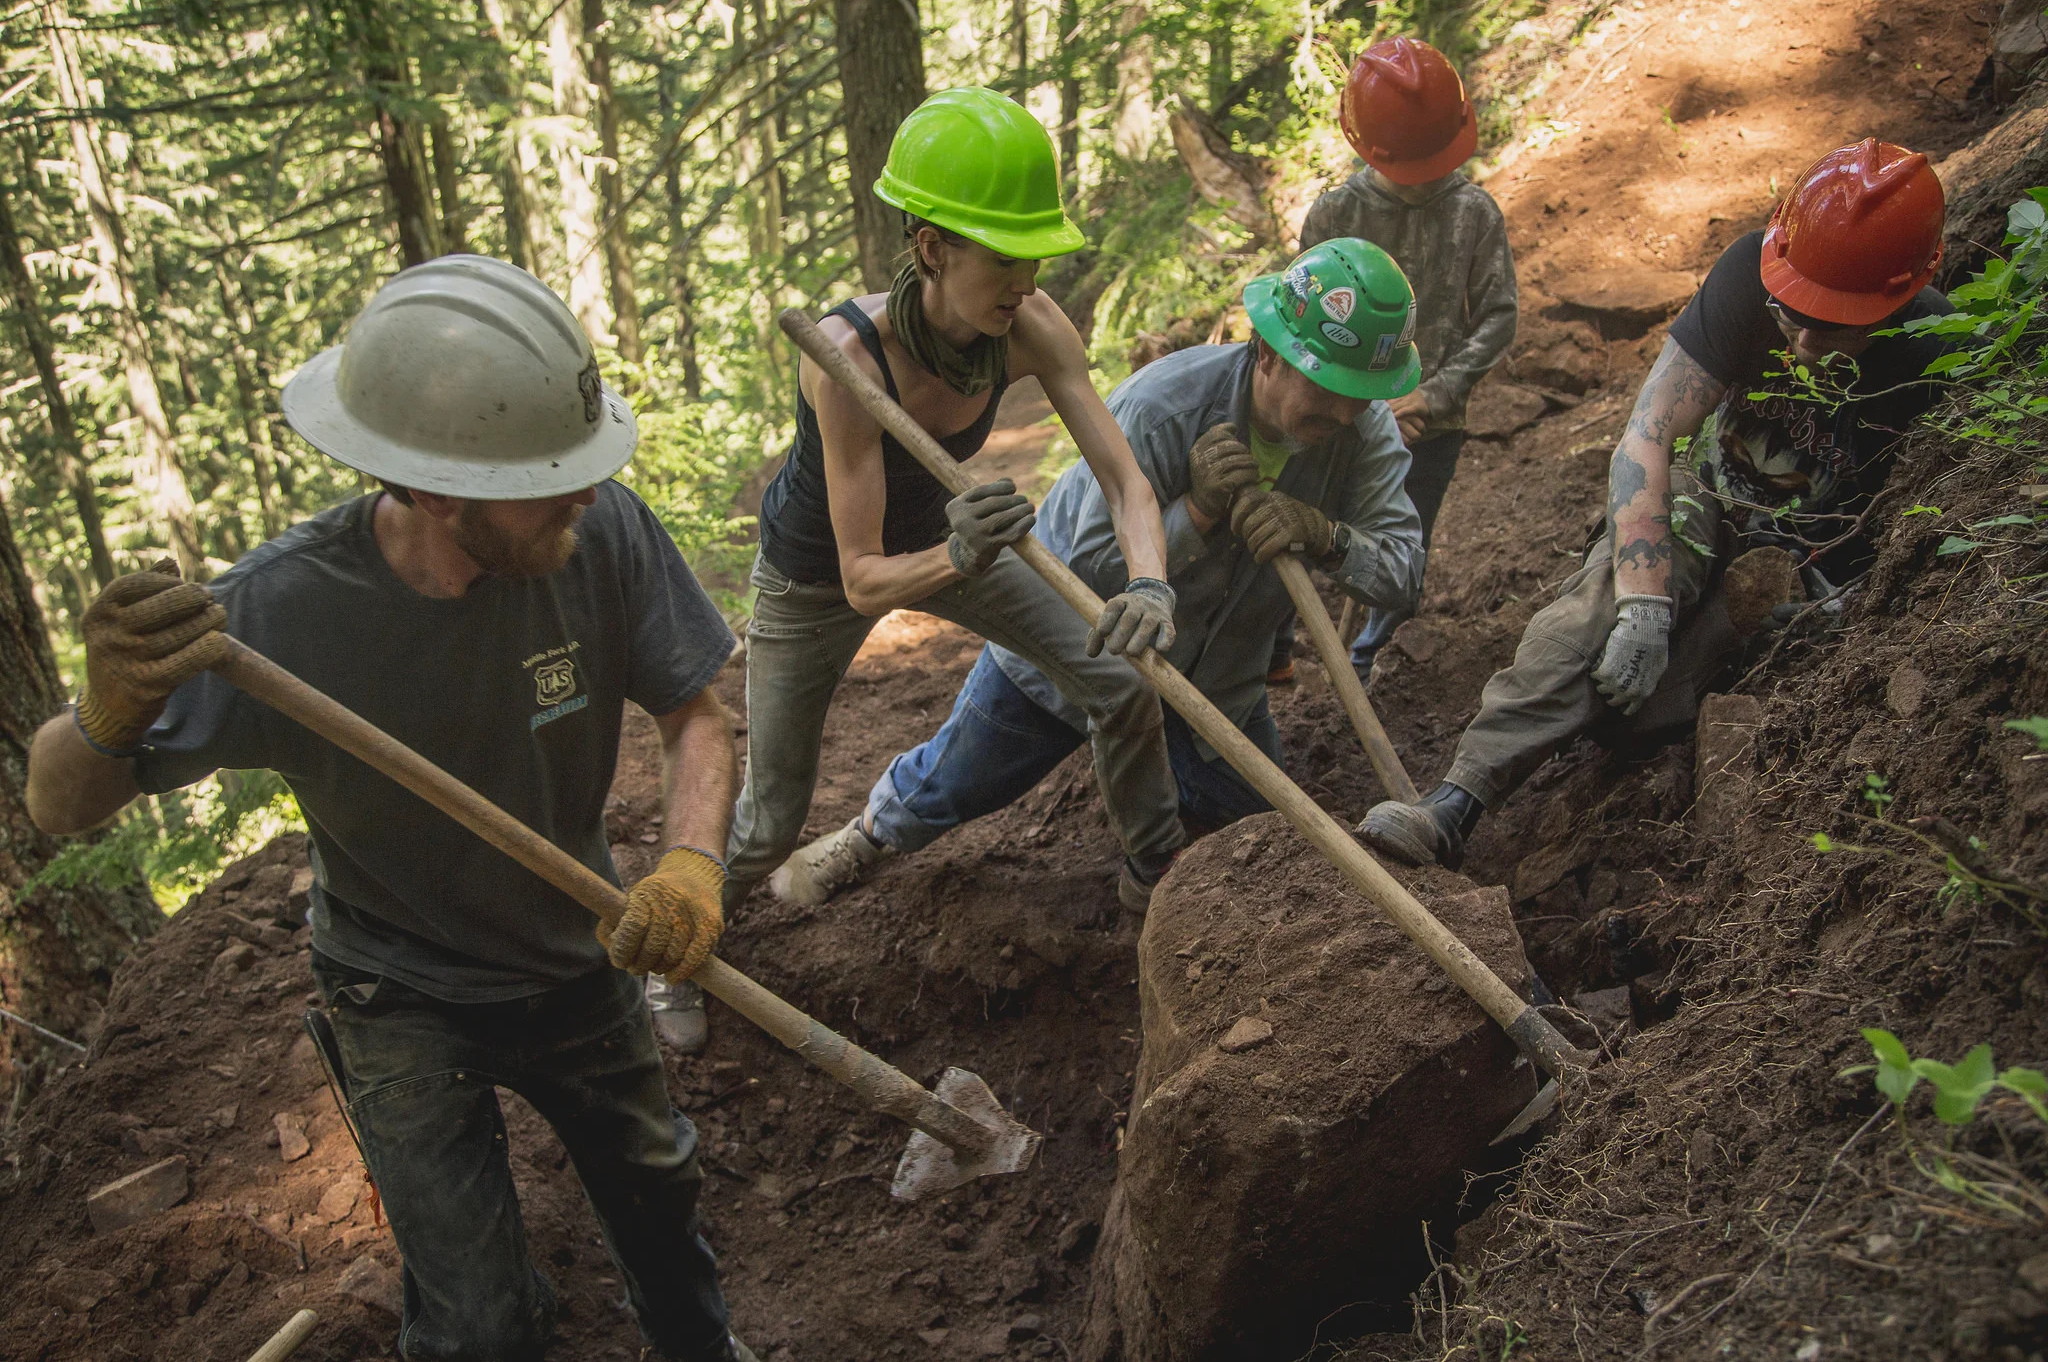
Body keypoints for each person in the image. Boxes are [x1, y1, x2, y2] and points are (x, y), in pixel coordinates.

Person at [24, 256, 755, 1362]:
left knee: (659, 1195)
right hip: (398, 987)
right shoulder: (282, 614)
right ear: (436, 491)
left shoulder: (598, 531)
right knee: (478, 1327)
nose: (587, 492)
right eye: (550, 478)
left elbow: (695, 714)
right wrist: (110, 709)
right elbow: (56, 803)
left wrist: (691, 864)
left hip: (579, 953)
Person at [772, 239, 1427, 907]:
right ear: (1267, 352)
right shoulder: (1164, 405)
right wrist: (1197, 512)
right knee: (958, 778)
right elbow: (1083, 575)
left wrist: (1329, 538)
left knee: (1269, 833)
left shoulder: (1363, 434)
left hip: (1219, 688)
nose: (1345, 413)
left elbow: (1404, 575)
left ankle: (1156, 873)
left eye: (1361, 394)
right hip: (1079, 656)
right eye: (1330, 388)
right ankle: (867, 834)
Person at [1360, 139, 1956, 870]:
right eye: (1790, 311)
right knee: (1613, 592)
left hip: (1805, 567)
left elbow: (1915, 537)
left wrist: (1839, 604)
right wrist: (1642, 605)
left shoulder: (1937, 351)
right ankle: (1457, 801)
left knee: (1634, 716)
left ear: (1899, 295)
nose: (1803, 341)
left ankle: (1634, 710)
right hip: (1706, 505)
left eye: (1832, 325)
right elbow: (1647, 436)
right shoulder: (1748, 272)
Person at [730, 87, 1186, 921]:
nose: (1028, 281)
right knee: (769, 824)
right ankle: (676, 941)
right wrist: (958, 554)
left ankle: (1157, 878)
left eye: (1035, 256)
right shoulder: (848, 361)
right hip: (817, 580)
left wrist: (1150, 581)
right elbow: (861, 579)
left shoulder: (1032, 326)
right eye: (1005, 258)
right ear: (933, 248)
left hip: (953, 541)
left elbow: (1126, 482)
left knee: (1122, 682)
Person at [1270, 35, 1518, 685]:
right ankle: (1271, 647)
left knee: (1403, 547)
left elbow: (1498, 315)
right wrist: (1366, 406)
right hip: (1332, 415)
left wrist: (1434, 393)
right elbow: (1298, 320)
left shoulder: (1473, 214)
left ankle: (1374, 662)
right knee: (1294, 522)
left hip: (1431, 425)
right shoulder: (1336, 213)